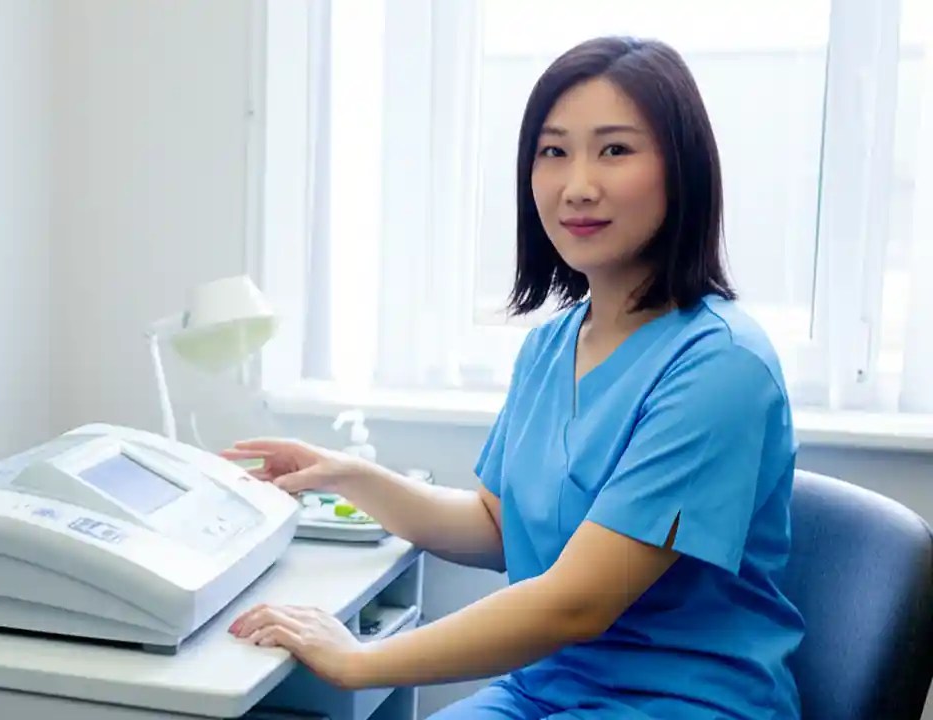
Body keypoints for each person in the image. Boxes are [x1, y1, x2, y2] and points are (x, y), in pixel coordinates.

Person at [221, 35, 806, 719]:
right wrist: (347, 476)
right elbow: (495, 525)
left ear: (683, 170)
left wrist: (359, 661)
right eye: (553, 152)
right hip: (543, 691)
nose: (577, 185)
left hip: (681, 703)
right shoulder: (554, 346)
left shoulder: (720, 367)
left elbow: (576, 604)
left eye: (615, 150)